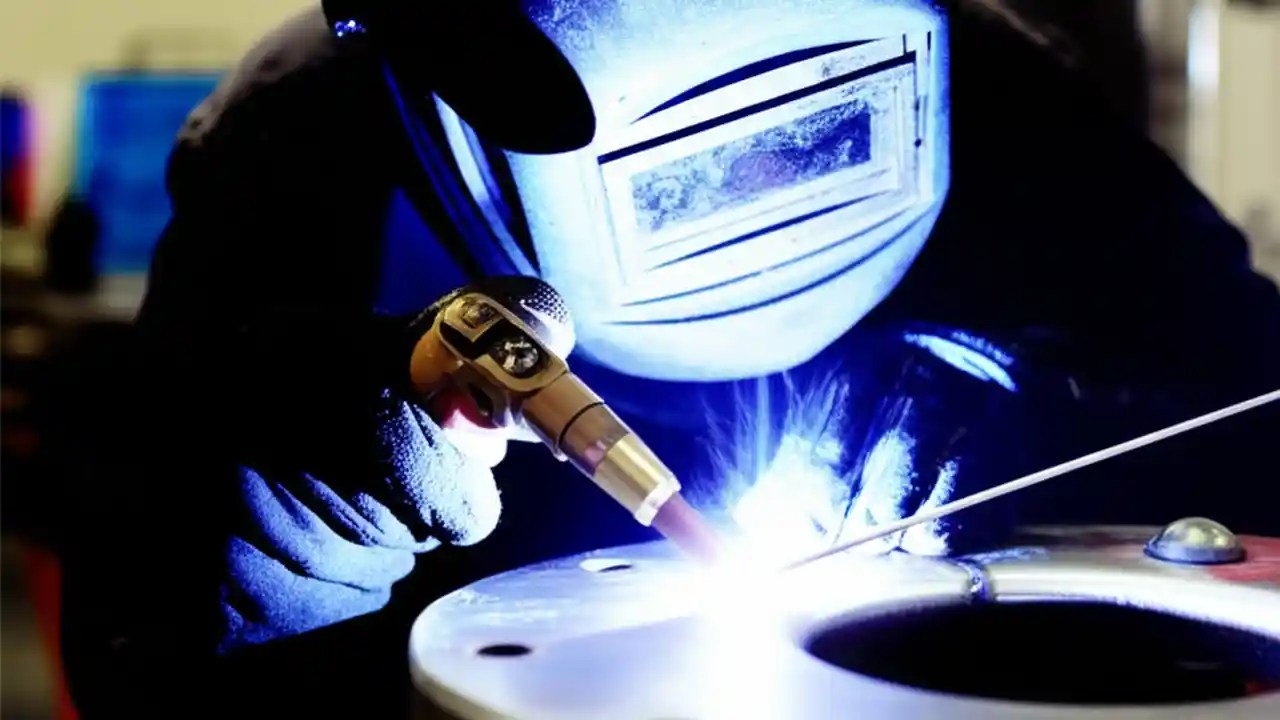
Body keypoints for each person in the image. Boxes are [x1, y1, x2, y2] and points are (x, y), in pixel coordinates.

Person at [60, 0, 1280, 717]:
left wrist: (1049, 416)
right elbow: (139, 663)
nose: (754, 194)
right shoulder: (308, 141)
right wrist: (287, 528)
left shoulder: (1009, 95)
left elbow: (1247, 420)